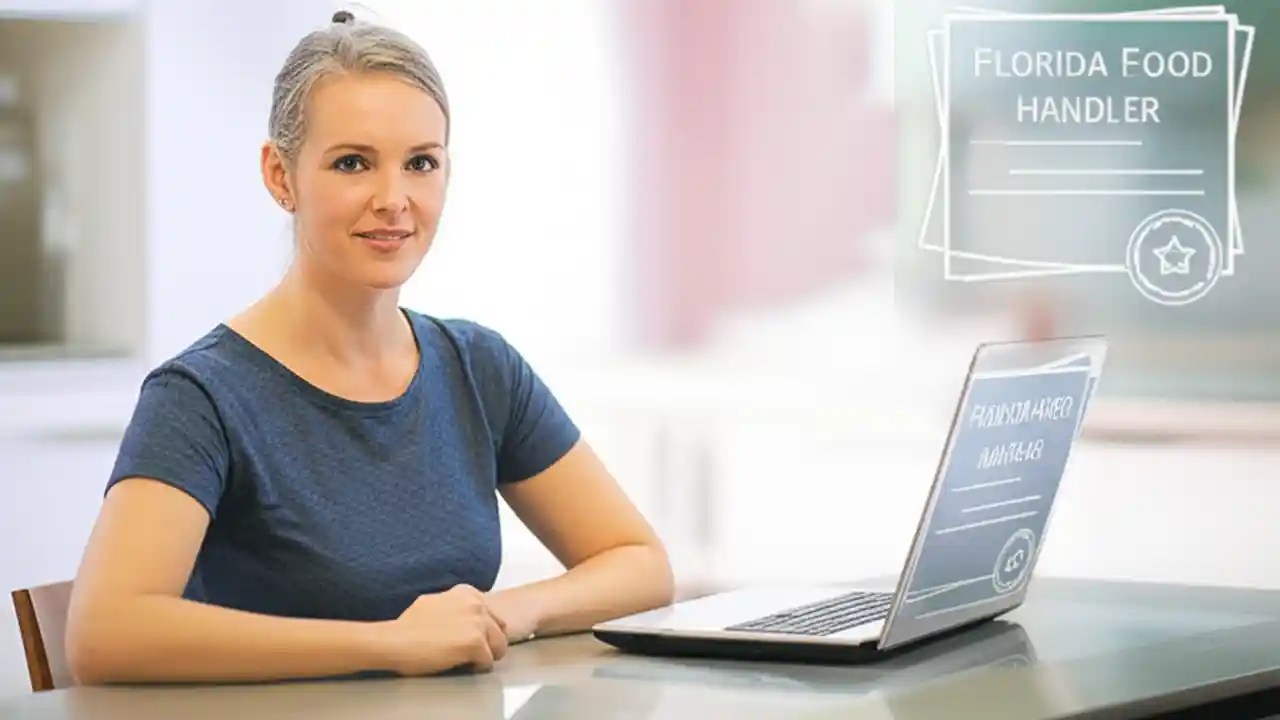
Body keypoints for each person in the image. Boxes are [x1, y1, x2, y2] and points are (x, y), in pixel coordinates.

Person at [64, 10, 674, 684]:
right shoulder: (202, 396)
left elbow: (639, 563)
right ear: (279, 175)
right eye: (353, 163)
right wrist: (390, 643)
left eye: (421, 163)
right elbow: (104, 632)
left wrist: (499, 615)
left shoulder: (480, 368)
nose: (394, 199)